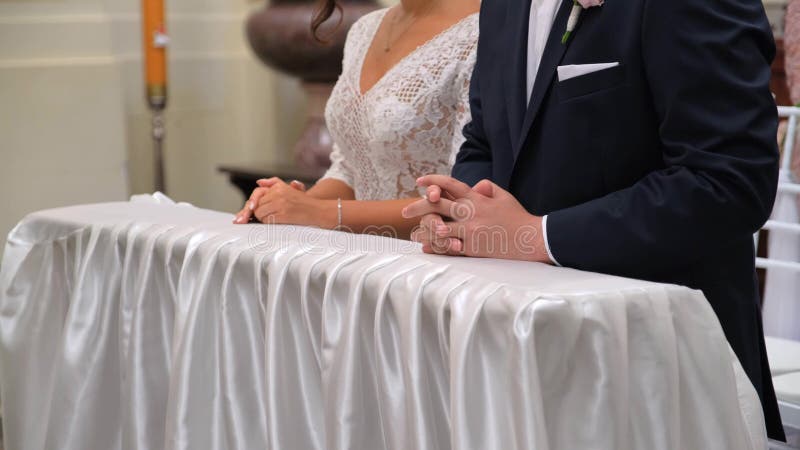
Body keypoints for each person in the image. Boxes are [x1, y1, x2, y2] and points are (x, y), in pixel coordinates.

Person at [402, 0, 786, 440]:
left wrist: (536, 236)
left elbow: (730, 182)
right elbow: (485, 142)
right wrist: (464, 218)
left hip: (659, 371)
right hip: (518, 361)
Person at [233, 0, 480, 239]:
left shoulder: (479, 33)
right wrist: (287, 204)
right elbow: (350, 170)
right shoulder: (365, 29)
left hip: (431, 257)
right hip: (357, 251)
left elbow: (462, 201)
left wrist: (319, 211)